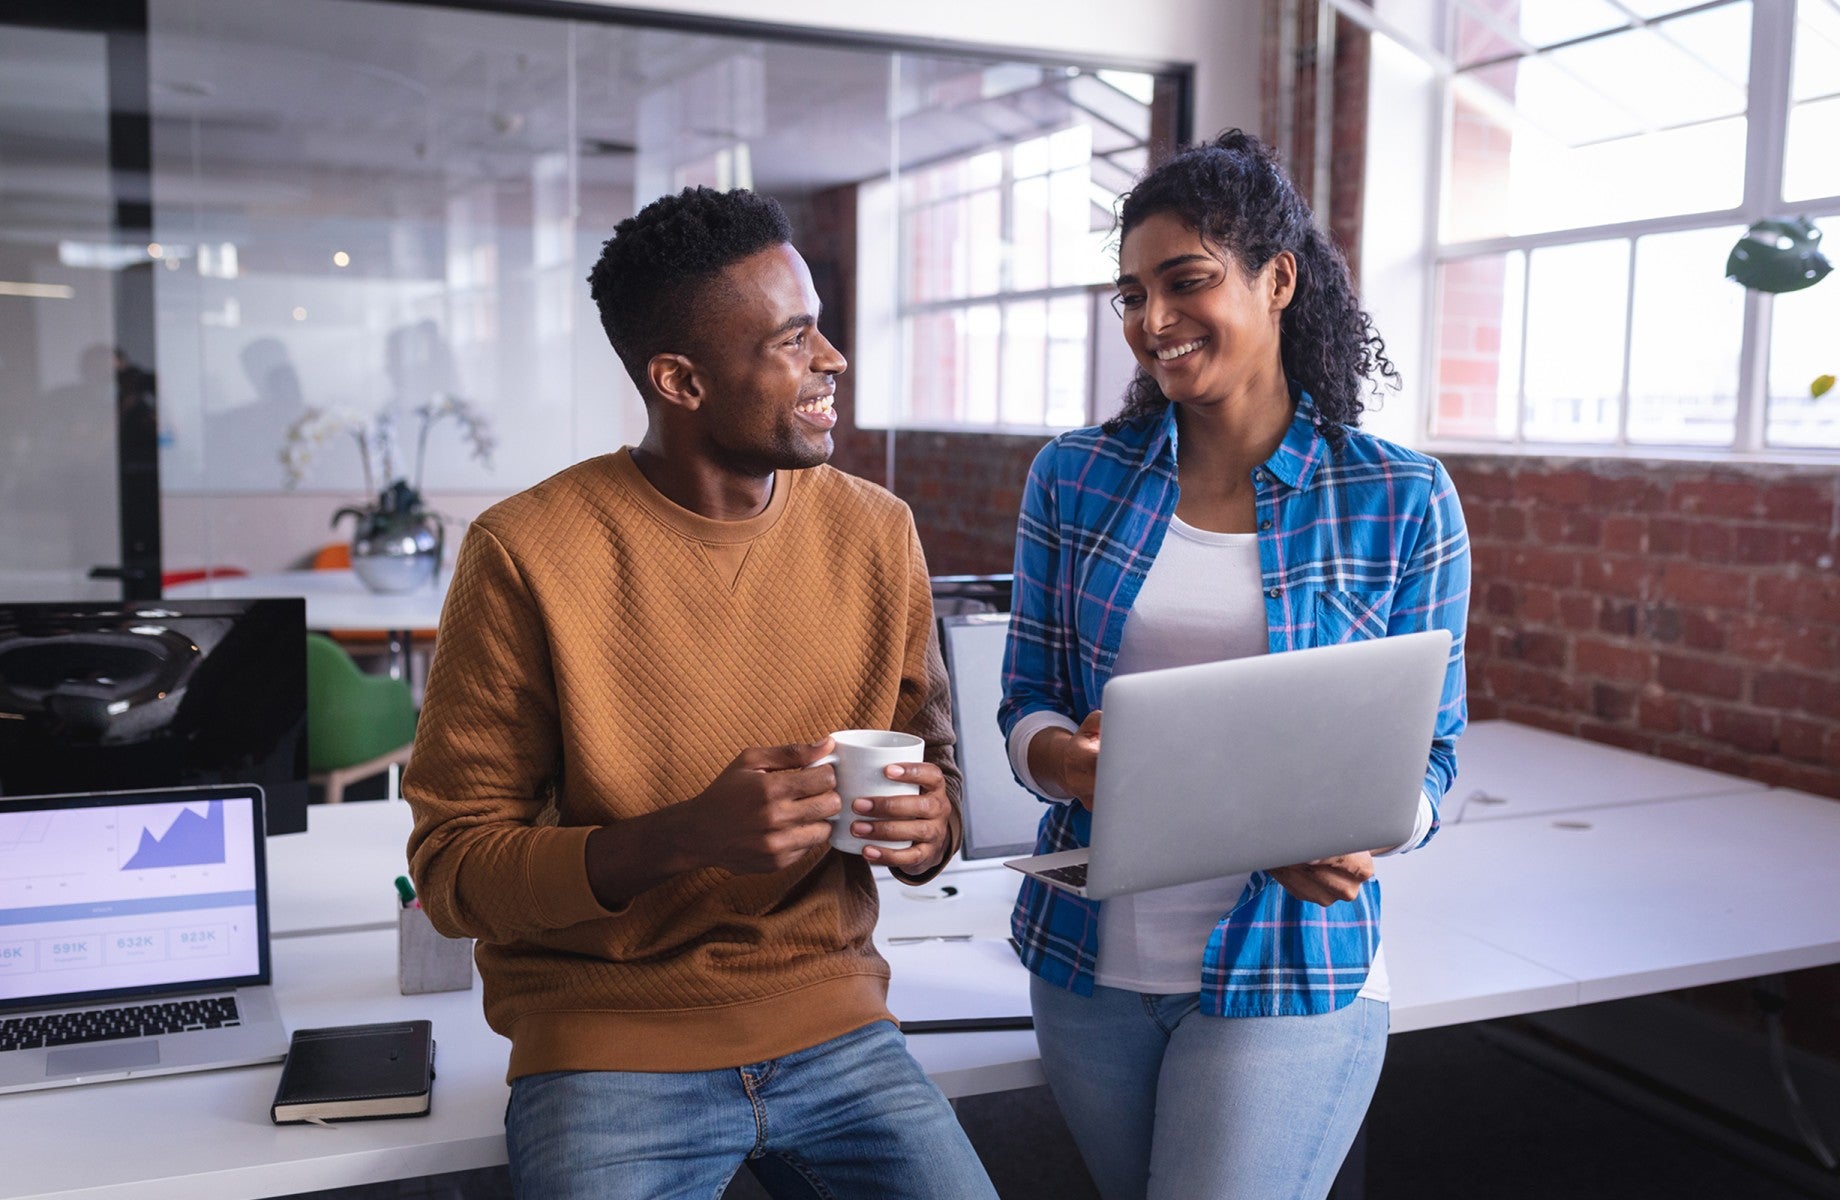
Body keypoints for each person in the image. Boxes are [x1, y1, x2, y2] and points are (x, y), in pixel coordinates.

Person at [404, 186, 997, 1200]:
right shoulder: (524, 553)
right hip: (606, 1045)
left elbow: (931, 779)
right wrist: (684, 839)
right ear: (678, 379)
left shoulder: (875, 531)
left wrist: (930, 827)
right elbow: (452, 870)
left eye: (822, 331)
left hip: (837, 1026)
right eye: (794, 341)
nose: (833, 362)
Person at [999, 130, 1471, 1200]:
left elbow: (1433, 753)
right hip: (1088, 965)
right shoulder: (1075, 478)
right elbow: (1023, 697)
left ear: (1278, 279)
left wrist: (1373, 829)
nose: (1151, 321)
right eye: (1129, 293)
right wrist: (1067, 762)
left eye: (1185, 282)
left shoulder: (1399, 495)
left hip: (1293, 960)